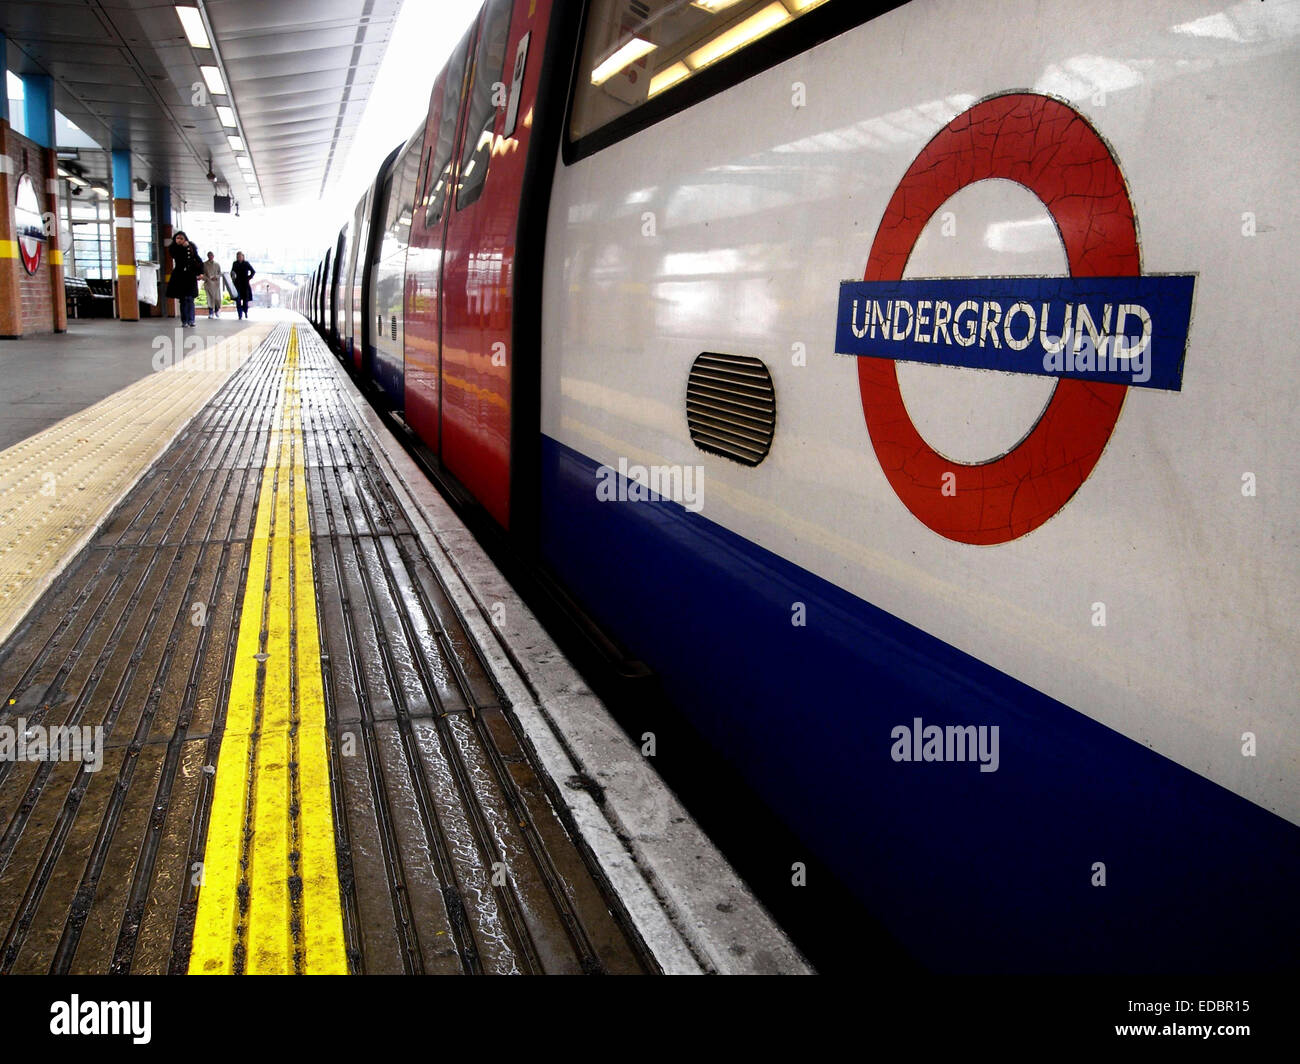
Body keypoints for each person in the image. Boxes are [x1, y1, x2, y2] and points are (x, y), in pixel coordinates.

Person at [166, 231, 201, 327]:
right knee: (183, 299)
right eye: (178, 238)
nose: (179, 240)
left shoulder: (191, 247)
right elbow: (177, 256)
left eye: (181, 238)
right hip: (179, 276)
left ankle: (191, 320)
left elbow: (197, 259)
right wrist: (183, 248)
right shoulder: (173, 248)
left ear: (185, 239)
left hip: (190, 276)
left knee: (190, 299)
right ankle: (184, 320)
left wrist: (200, 272)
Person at [230, 252, 256, 320]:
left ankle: (245, 311)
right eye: (237, 256)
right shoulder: (235, 263)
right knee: (238, 300)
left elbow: (253, 271)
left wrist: (248, 277)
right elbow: (232, 272)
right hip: (237, 284)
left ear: (243, 257)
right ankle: (240, 314)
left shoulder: (246, 263)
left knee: (245, 300)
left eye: (240, 256)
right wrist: (233, 278)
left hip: (245, 284)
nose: (239, 257)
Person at [202, 251, 224, 319]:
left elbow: (220, 273)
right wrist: (207, 278)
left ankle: (217, 311)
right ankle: (211, 312)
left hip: (216, 284)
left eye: (211, 255)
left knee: (217, 298)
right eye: (209, 255)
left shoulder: (217, 264)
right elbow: (202, 274)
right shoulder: (204, 264)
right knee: (209, 299)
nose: (210, 256)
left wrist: (216, 277)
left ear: (213, 256)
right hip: (208, 284)